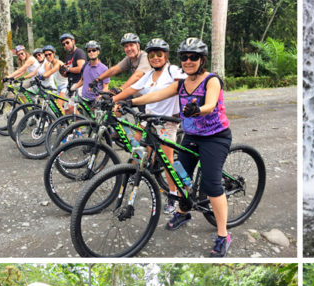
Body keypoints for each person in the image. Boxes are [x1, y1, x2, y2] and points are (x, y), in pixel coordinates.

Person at [122, 37, 233, 257]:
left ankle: (223, 235)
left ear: (202, 60)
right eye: (185, 57)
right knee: (179, 175)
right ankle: (184, 211)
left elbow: (210, 104)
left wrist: (197, 110)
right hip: (192, 135)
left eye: (194, 57)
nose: (188, 61)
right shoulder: (181, 84)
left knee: (211, 185)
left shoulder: (212, 80)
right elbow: (154, 94)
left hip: (215, 137)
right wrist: (129, 102)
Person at [112, 38, 186, 214]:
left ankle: (173, 195)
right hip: (149, 119)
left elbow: (184, 84)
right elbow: (130, 89)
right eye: (152, 55)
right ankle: (141, 170)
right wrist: (113, 99)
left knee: (168, 161)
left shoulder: (173, 70)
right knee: (136, 143)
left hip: (167, 121)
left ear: (166, 55)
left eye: (159, 54)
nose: (155, 58)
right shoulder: (149, 75)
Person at [92, 32, 152, 97]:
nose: (129, 49)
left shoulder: (144, 56)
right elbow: (114, 70)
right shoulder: (129, 59)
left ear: (138, 46)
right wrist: (97, 79)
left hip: (148, 97)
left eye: (131, 45)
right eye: (126, 46)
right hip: (136, 94)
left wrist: (121, 89)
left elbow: (137, 76)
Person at [59, 32, 87, 113]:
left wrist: (68, 69)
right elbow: (67, 74)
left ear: (73, 41)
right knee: (67, 110)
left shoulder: (79, 52)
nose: (66, 45)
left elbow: (81, 68)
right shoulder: (68, 56)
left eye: (67, 42)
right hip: (70, 84)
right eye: (63, 44)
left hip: (79, 84)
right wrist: (62, 71)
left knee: (71, 108)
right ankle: (77, 125)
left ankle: (82, 123)